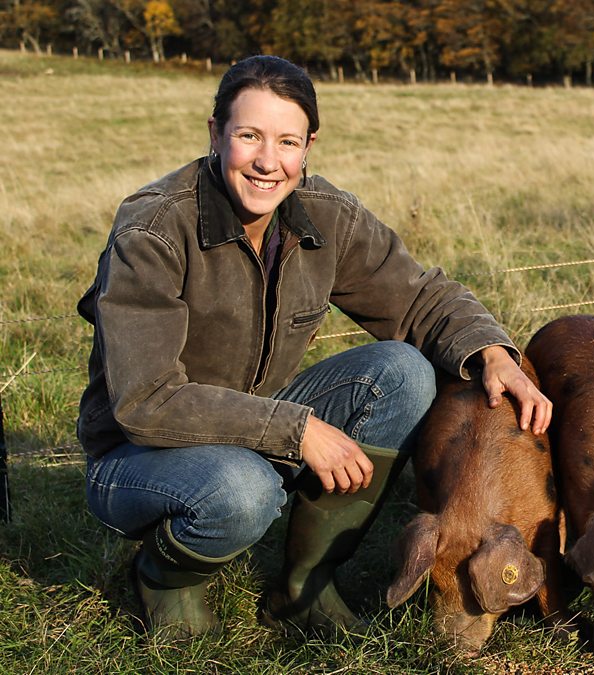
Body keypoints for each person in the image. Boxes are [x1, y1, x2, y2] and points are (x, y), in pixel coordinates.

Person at [77, 55, 551, 639]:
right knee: (240, 488)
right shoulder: (152, 230)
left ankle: (305, 585)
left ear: (309, 146)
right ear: (215, 133)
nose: (268, 162)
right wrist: (298, 430)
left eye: (287, 141)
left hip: (257, 423)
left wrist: (492, 353)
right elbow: (145, 400)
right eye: (248, 135)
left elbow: (419, 297)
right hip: (136, 456)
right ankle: (166, 577)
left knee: (403, 372)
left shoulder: (326, 215)